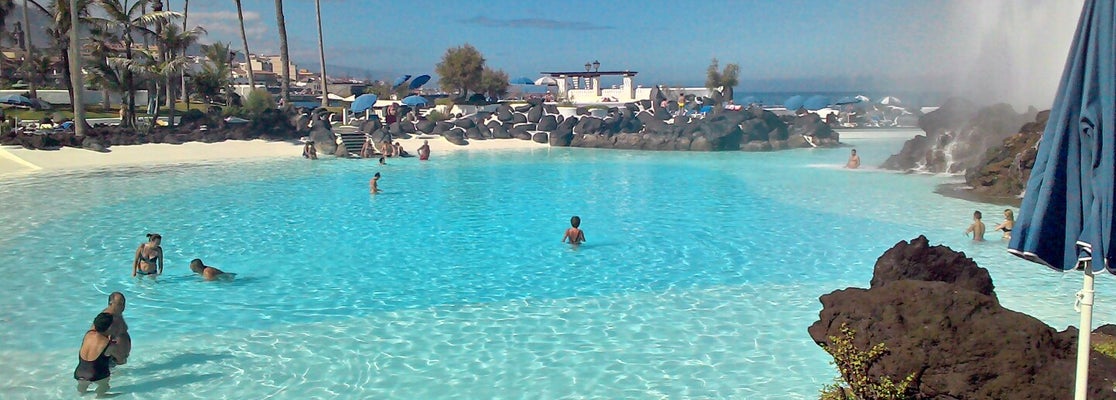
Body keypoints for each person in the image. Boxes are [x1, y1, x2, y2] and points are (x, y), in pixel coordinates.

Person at [75, 313, 119, 397]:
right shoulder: (109, 344)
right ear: (109, 327)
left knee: (82, 387)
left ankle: (82, 393)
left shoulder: (88, 334)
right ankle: (100, 396)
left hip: (79, 372)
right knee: (104, 385)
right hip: (97, 374)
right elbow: (119, 359)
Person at [98, 292, 130, 366]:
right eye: (119, 304)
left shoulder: (117, 314)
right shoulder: (106, 319)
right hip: (109, 361)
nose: (122, 307)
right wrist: (118, 357)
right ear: (110, 303)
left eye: (123, 304)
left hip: (117, 360)